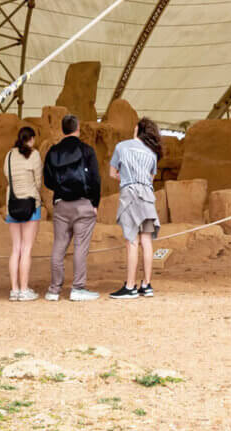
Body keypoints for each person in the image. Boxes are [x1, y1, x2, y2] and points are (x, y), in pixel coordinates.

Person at [43, 114, 101, 302]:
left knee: (59, 246)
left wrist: (60, 190)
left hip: (61, 204)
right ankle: (78, 288)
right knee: (80, 247)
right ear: (78, 129)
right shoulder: (87, 150)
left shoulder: (53, 151)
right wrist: (95, 203)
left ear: (62, 129)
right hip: (83, 205)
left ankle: (54, 290)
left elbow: (48, 180)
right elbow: (95, 179)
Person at [109, 118, 163, 300]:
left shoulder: (121, 146)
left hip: (130, 196)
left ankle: (130, 286)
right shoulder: (152, 153)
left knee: (132, 240)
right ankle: (146, 285)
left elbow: (112, 173)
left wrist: (124, 177)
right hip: (147, 197)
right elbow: (151, 178)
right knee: (146, 240)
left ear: (138, 129)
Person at [3, 125, 44, 301]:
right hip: (30, 204)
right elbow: (38, 180)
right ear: (32, 139)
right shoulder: (34, 155)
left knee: (16, 249)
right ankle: (24, 289)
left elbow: (7, 176)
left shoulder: (9, 155)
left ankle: (14, 290)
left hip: (12, 204)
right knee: (26, 249)